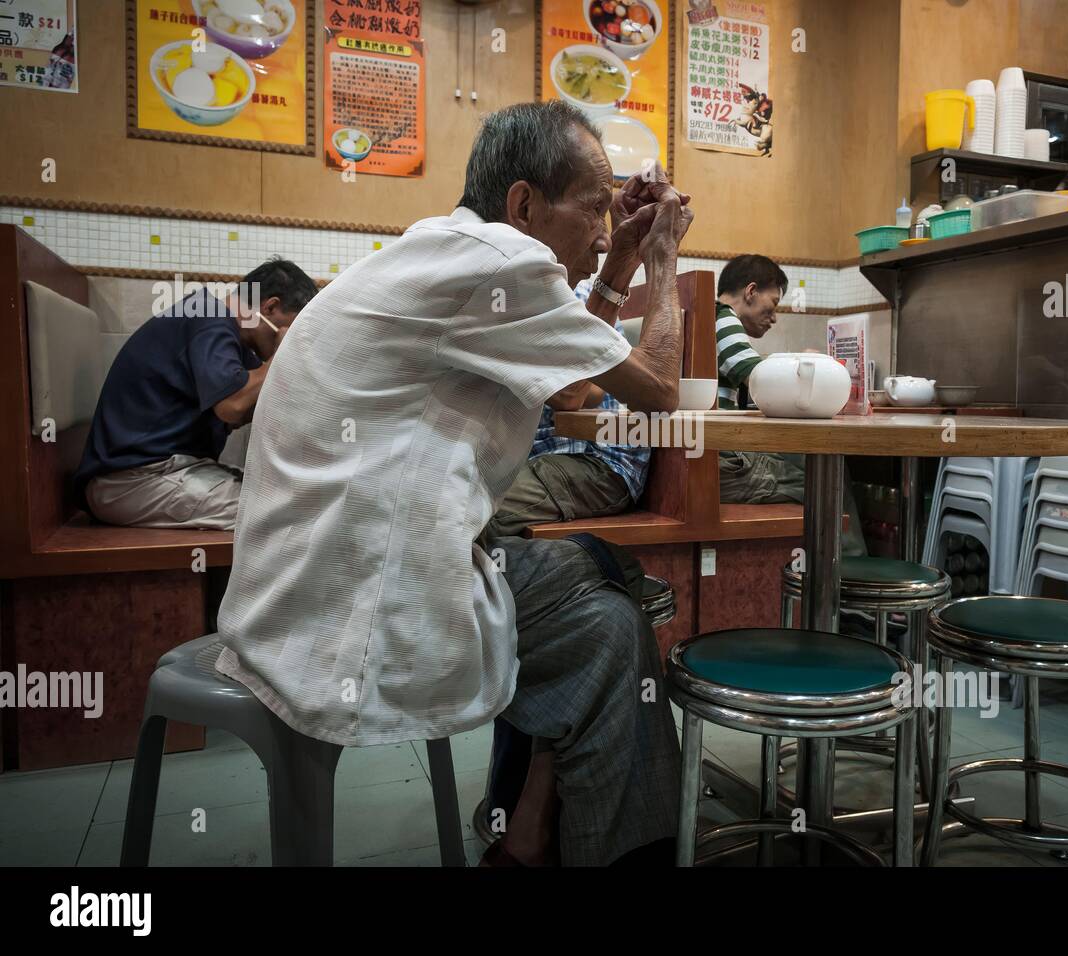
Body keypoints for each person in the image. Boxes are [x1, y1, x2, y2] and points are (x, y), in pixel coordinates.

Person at [215, 101, 693, 867]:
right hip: (352, 594)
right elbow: (662, 391)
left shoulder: (456, 255)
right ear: (524, 204)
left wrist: (615, 265)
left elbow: (570, 392)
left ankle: (527, 828)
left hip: (298, 576)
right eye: (594, 209)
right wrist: (664, 259)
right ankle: (556, 835)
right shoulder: (503, 262)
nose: (606, 229)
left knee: (603, 603)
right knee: (609, 611)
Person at [74, 257, 316, 531]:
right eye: (292, 330)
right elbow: (233, 406)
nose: (287, 341)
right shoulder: (208, 315)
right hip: (129, 482)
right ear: (270, 307)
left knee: (288, 497)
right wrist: (282, 358)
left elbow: (252, 408)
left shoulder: (230, 340)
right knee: (287, 513)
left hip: (161, 474)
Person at [714, 254, 868, 555]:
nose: (774, 318)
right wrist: (809, 364)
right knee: (829, 478)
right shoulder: (721, 316)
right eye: (772, 305)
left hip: (714, 457)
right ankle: (845, 573)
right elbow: (756, 376)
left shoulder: (702, 315)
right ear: (750, 291)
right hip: (722, 465)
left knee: (809, 461)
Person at [485, 283, 650, 539]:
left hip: (595, 456)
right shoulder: (508, 292)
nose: (601, 245)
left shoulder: (582, 298)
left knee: (472, 513)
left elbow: (585, 393)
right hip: (536, 452)